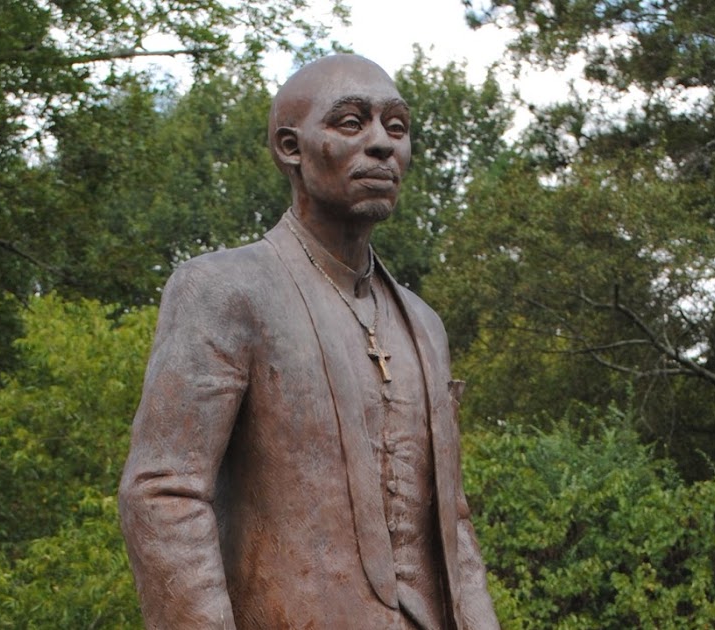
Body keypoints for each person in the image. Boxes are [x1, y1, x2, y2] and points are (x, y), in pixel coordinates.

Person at [118, 53, 499, 629]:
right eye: (352, 123)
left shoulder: (425, 324)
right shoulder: (225, 289)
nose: (382, 145)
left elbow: (453, 520)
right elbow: (165, 493)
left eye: (397, 128)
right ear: (288, 148)